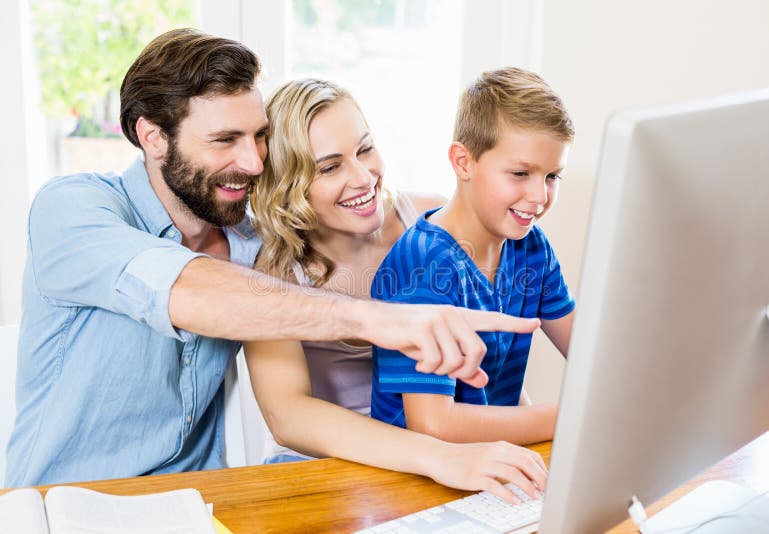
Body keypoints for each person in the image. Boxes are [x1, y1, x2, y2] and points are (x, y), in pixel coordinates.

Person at [4, 30, 540, 488]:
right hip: (64, 506)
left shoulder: (251, 237)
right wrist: (377, 318)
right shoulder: (74, 210)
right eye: (225, 139)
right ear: (152, 137)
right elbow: (187, 290)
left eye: (259, 137)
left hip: (198, 504)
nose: (253, 160)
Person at [243, 78, 547, 502]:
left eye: (364, 149)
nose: (363, 176)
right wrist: (435, 456)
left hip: (451, 448)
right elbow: (288, 415)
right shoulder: (274, 273)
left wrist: (522, 435)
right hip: (337, 466)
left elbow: (490, 365)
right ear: (289, 184)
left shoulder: (428, 218)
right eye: (330, 167)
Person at [371, 67, 576, 445]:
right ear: (463, 162)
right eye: (520, 173)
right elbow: (435, 424)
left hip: (493, 463)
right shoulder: (423, 266)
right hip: (414, 478)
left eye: (552, 176)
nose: (540, 197)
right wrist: (571, 419)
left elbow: (588, 352)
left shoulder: (532, 247)